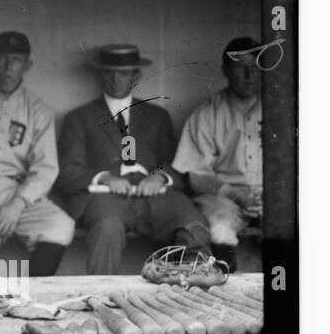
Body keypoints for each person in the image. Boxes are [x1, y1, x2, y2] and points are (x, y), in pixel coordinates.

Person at [56, 44, 211, 274]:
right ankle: (101, 298)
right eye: (109, 72)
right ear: (100, 75)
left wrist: (159, 178)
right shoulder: (79, 118)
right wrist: (105, 178)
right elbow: (68, 172)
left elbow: (177, 166)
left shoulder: (157, 117)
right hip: (106, 199)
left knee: (191, 223)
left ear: (136, 76)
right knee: (107, 229)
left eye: (124, 73)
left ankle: (187, 295)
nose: (115, 79)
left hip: (155, 197)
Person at [0, 31, 74, 276]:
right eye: (3, 58)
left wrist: (14, 207)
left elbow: (45, 168)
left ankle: (29, 296)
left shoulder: (38, 110)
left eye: (16, 59)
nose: (9, 66)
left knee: (60, 225)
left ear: (27, 65)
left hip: (13, 191)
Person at [171, 37, 264, 272]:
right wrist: (237, 193)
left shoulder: (284, 108)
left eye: (255, 66)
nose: (248, 75)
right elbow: (196, 178)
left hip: (272, 196)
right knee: (220, 226)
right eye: (239, 67)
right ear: (225, 71)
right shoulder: (207, 114)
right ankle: (226, 287)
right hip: (225, 197)